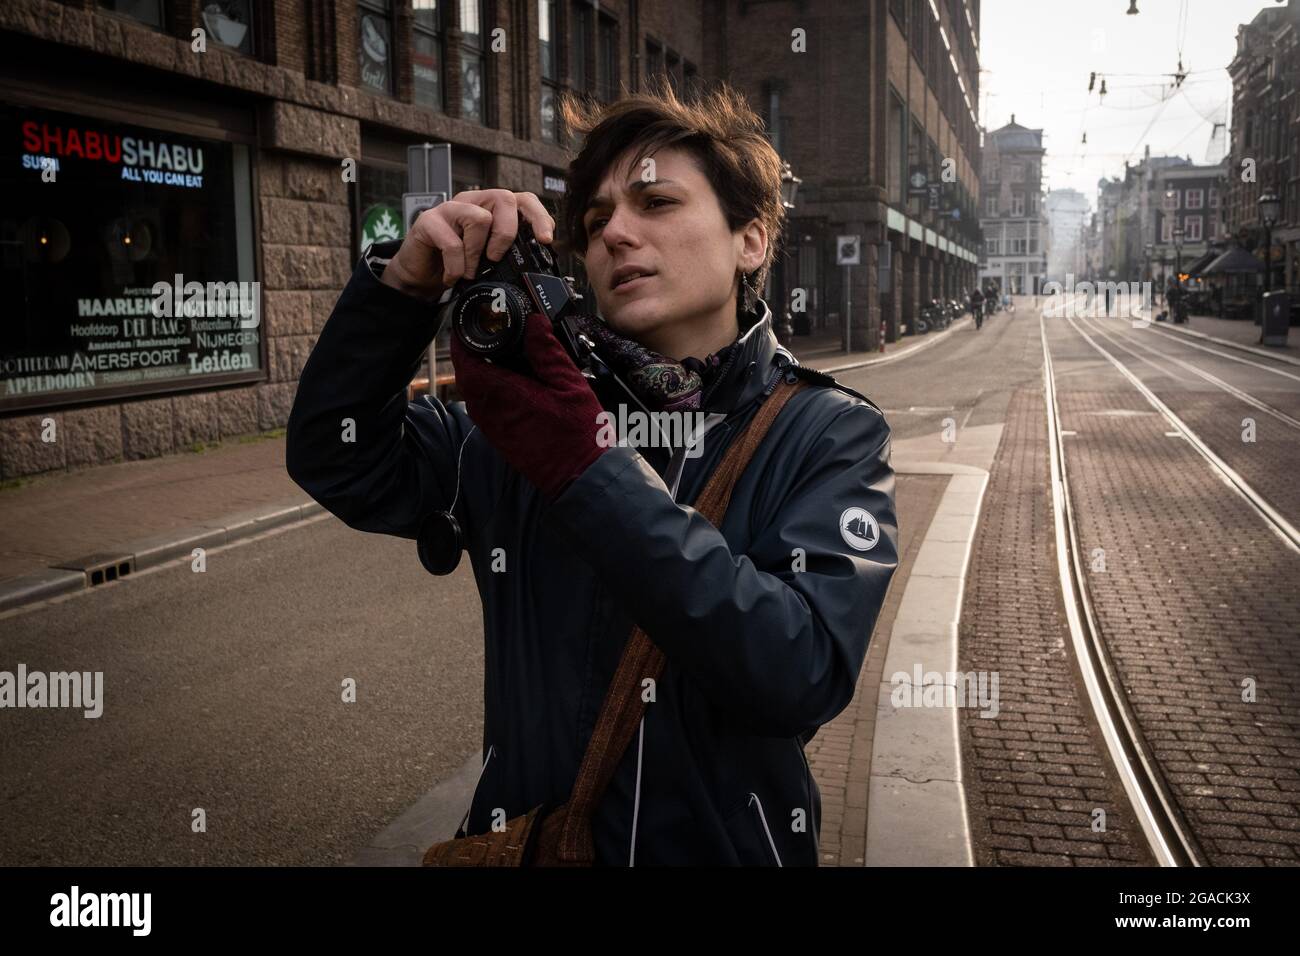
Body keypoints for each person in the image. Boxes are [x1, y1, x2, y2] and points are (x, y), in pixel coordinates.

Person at [284, 80, 898, 866]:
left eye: (656, 204)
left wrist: (586, 467)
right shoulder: (524, 421)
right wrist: (401, 291)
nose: (615, 234)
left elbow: (799, 669)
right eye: (598, 218)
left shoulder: (831, 431)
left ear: (752, 239)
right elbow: (336, 457)